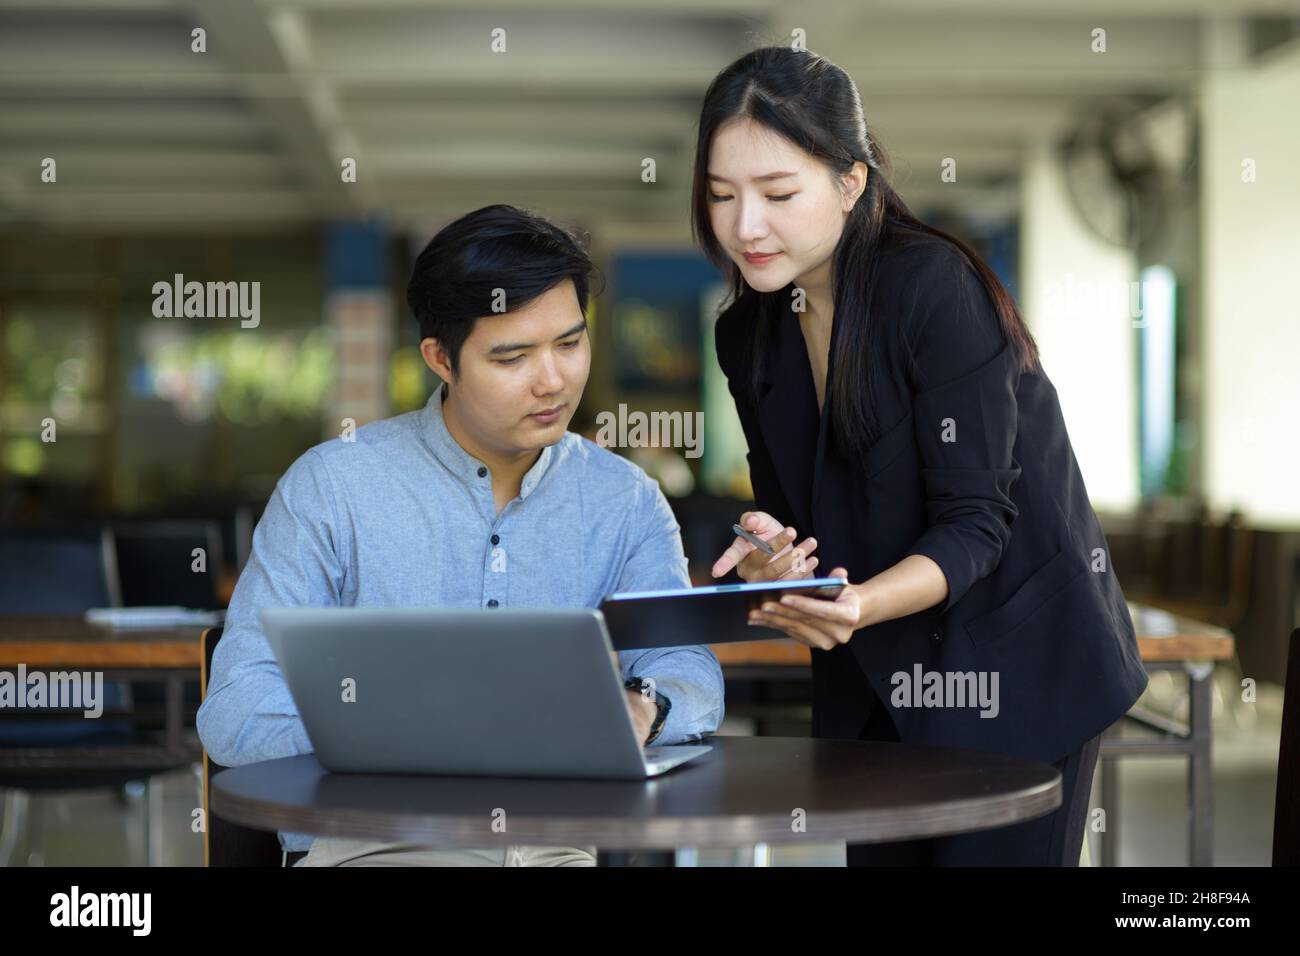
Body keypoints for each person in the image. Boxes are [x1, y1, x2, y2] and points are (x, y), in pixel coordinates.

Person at [697, 47, 1148, 866]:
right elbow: (795, 519)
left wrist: (859, 605)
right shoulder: (748, 331)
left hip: (1017, 670)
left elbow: (977, 523)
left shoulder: (930, 287)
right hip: (879, 679)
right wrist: (775, 556)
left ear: (850, 182)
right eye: (723, 195)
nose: (745, 225)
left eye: (777, 193)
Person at [198, 204, 725, 867]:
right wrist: (413, 741)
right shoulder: (333, 486)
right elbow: (236, 710)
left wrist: (642, 704)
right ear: (440, 359)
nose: (554, 380)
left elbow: (689, 672)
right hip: (373, 844)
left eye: (570, 342)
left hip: (552, 850)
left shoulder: (625, 501)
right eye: (512, 357)